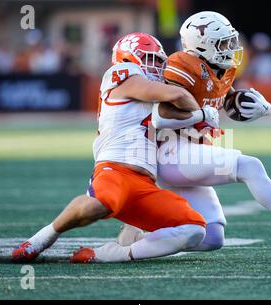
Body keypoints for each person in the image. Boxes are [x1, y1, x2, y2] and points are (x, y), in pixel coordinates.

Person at [118, 12, 271, 254]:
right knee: (249, 166)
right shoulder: (182, 65)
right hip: (170, 153)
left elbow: (221, 101)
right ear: (202, 44)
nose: (231, 48)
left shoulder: (222, 69)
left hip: (192, 151)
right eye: (223, 43)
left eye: (230, 41)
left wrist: (252, 107)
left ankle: (138, 236)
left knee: (212, 237)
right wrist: (202, 115)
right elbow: (161, 116)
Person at [11, 32, 222, 263]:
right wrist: (202, 116)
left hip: (145, 184)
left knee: (194, 229)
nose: (157, 66)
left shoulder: (156, 99)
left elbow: (180, 122)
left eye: (160, 61)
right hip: (116, 169)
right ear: (128, 58)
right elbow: (177, 93)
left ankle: (105, 255)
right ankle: (42, 239)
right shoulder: (121, 74)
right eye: (150, 59)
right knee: (98, 205)